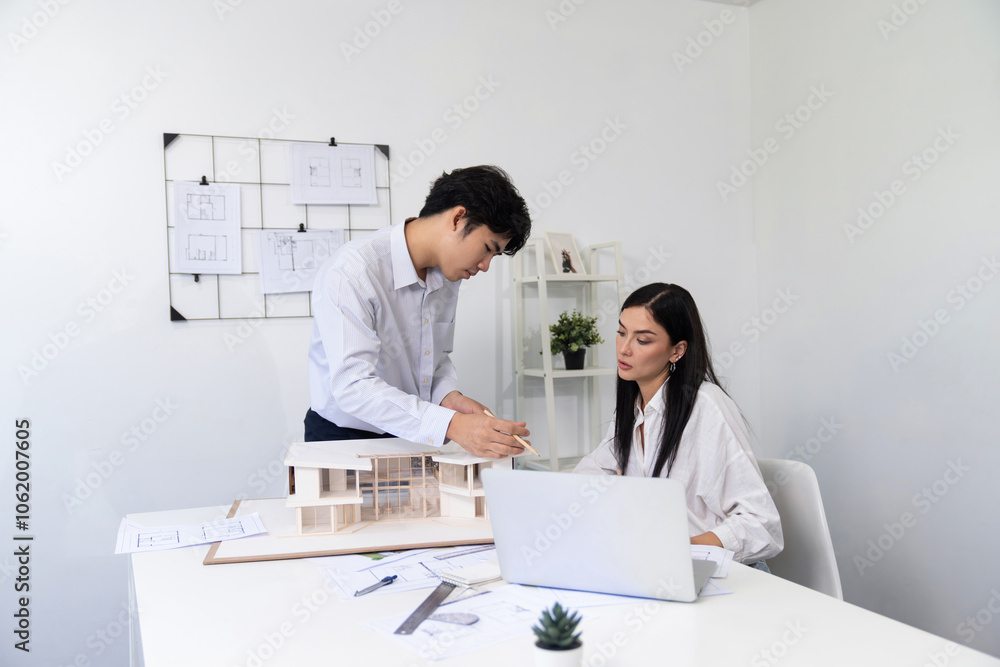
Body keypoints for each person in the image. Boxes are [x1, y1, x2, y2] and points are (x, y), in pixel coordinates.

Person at [305, 166, 532, 459]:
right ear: (457, 218)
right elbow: (353, 386)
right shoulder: (354, 271)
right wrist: (453, 425)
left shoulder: (449, 276)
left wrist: (451, 399)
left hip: (409, 433)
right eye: (488, 248)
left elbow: (434, 361)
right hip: (341, 440)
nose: (485, 265)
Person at [574, 283, 783, 567]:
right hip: (661, 567)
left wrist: (678, 549)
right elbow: (594, 472)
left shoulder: (706, 406)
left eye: (642, 340)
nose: (624, 349)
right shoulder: (634, 406)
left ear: (677, 350)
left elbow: (762, 526)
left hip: (716, 570)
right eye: (621, 332)